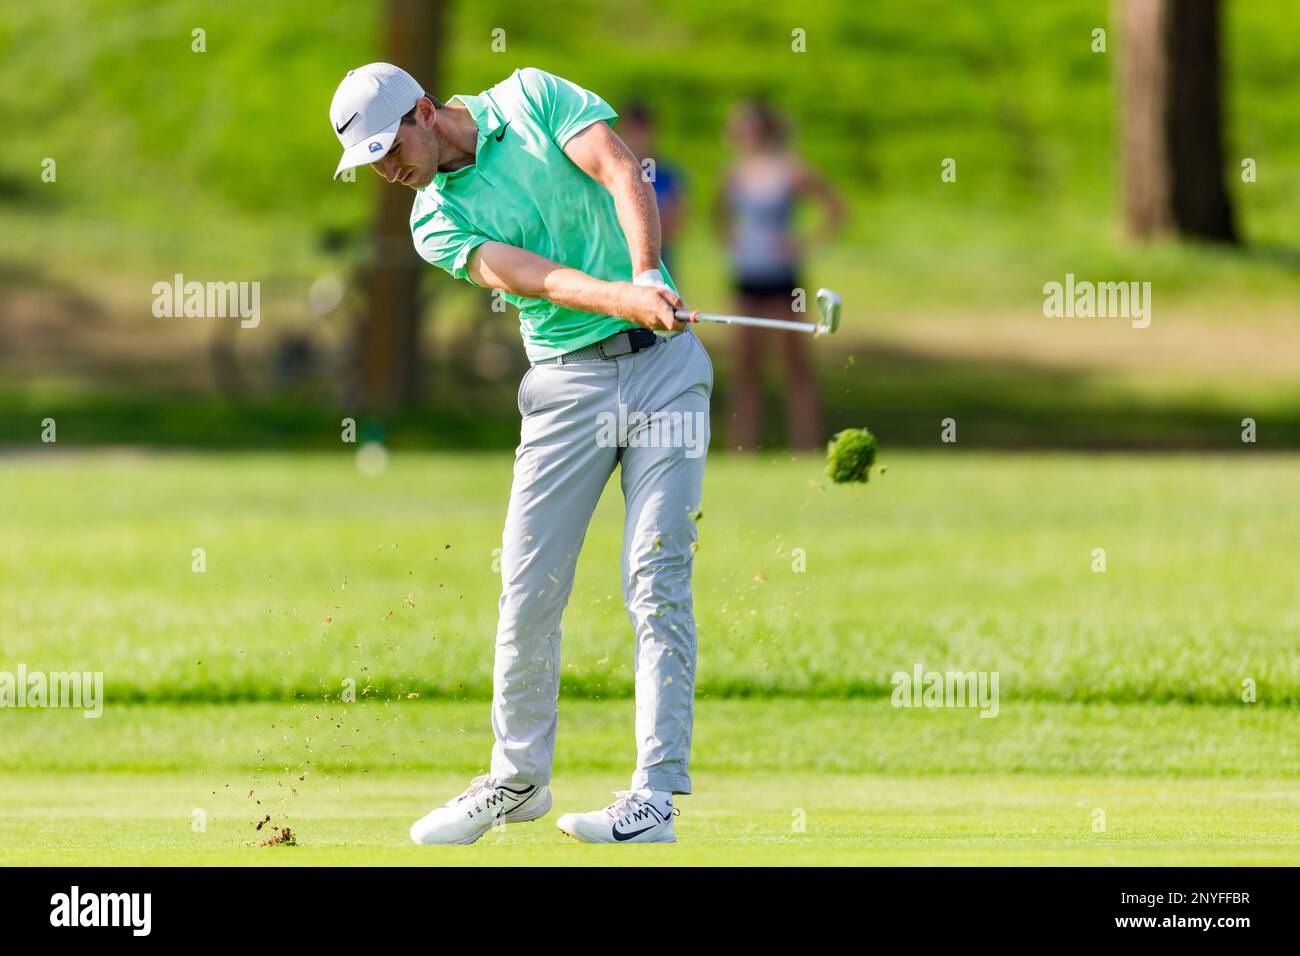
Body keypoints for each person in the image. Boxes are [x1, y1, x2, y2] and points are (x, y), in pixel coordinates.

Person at [329, 63, 712, 845]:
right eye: (372, 163)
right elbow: (532, 279)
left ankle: (654, 799)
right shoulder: (431, 220)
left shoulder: (534, 96)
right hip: (565, 389)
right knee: (529, 586)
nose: (388, 171)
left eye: (390, 149)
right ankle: (517, 781)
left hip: (667, 374)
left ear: (425, 112)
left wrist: (646, 276)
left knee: (656, 573)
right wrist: (623, 296)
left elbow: (616, 168)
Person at [716, 98, 846, 451]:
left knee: (795, 365)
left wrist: (803, 242)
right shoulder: (735, 173)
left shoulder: (790, 169)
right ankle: (742, 447)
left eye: (747, 128)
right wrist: (733, 243)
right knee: (746, 366)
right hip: (746, 277)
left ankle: (806, 445)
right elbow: (719, 216)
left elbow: (835, 209)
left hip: (782, 280)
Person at [618, 101, 685, 272]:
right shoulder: (614, 173)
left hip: (660, 261)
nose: (636, 139)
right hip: (620, 260)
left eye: (641, 132)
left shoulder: (665, 174)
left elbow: (674, 223)